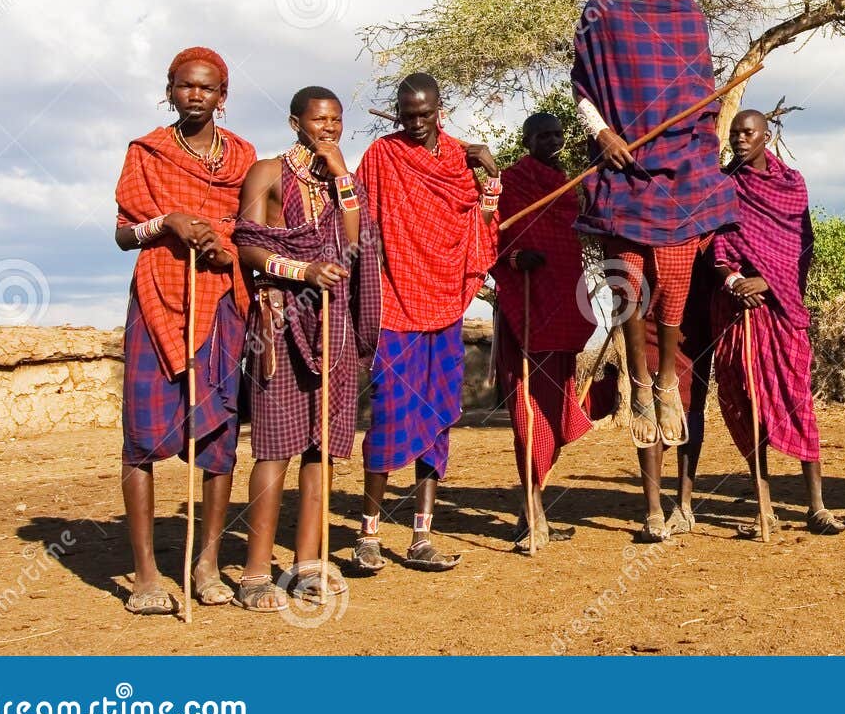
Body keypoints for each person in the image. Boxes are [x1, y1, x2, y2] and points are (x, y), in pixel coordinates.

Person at [571, 0, 740, 542]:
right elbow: (583, 86)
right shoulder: (600, 10)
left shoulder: (686, 13)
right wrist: (603, 134)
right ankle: (640, 384)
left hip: (681, 166)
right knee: (630, 287)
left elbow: (701, 91)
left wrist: (696, 123)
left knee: (673, 280)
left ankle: (667, 378)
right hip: (625, 163)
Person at [113, 46, 254, 615]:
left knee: (220, 434)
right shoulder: (146, 153)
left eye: (207, 88)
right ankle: (146, 575)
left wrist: (224, 247)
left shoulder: (244, 157)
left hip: (220, 298)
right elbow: (123, 235)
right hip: (158, 298)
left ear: (223, 96)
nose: (196, 95)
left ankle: (207, 563)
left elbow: (254, 226)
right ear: (169, 90)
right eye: (185, 86)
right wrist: (168, 223)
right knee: (141, 436)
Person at [232, 86, 381, 611]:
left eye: (337, 120)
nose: (329, 128)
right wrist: (301, 270)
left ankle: (306, 564)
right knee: (274, 448)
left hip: (332, 324)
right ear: (296, 121)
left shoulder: (346, 183)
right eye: (319, 120)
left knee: (321, 448)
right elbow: (246, 244)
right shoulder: (267, 171)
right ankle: (254, 574)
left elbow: (353, 242)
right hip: (279, 321)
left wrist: (340, 171)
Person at [352, 73, 499, 572]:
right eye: (408, 114)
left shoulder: (461, 159)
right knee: (390, 415)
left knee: (437, 419)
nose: (416, 123)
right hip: (396, 306)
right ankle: (368, 535)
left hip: (445, 310)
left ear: (441, 109)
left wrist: (490, 176)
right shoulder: (380, 157)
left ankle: (420, 537)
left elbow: (480, 223)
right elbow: (361, 225)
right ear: (398, 111)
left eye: (426, 114)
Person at [706, 110, 845, 536]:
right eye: (735, 134)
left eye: (748, 133)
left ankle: (816, 506)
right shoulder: (724, 185)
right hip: (738, 312)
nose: (740, 140)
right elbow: (717, 247)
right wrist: (734, 282)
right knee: (748, 404)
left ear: (768, 136)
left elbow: (803, 247)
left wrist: (767, 282)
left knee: (797, 399)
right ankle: (763, 506)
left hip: (782, 310)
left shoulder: (792, 185)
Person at [491, 112, 613, 552]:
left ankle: (531, 508)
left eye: (559, 134)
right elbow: (488, 236)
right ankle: (534, 512)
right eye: (544, 135)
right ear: (526, 140)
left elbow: (580, 237)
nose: (553, 141)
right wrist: (514, 256)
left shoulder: (568, 187)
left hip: (561, 309)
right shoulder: (509, 183)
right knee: (528, 414)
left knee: (555, 412)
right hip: (524, 309)